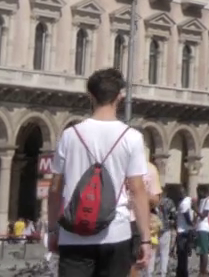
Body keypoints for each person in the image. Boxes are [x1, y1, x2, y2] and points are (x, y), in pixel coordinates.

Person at [45, 68, 152, 277]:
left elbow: (55, 189)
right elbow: (138, 191)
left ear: (90, 96)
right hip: (116, 232)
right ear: (120, 96)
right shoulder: (132, 137)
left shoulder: (69, 135)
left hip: (73, 233)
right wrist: (145, 239)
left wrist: (51, 230)